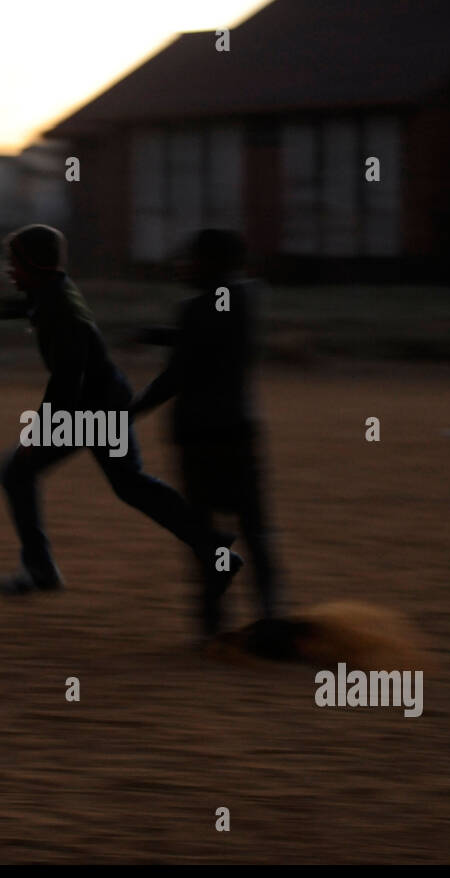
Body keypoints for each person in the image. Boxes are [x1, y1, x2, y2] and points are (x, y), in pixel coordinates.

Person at [0, 224, 240, 599]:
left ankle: (40, 568)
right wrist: (5, 308)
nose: (9, 270)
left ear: (34, 264)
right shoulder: (53, 290)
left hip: (92, 410)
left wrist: (38, 434)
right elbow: (39, 306)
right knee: (131, 484)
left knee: (16, 470)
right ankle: (213, 544)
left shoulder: (59, 312)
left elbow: (66, 383)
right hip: (102, 402)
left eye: (14, 263)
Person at [130, 229, 279, 635]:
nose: (183, 265)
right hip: (241, 430)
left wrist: (127, 413)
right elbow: (211, 339)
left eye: (192, 259)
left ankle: (213, 625)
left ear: (211, 264)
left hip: (199, 436)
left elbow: (177, 374)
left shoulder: (194, 308)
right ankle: (271, 616)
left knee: (204, 532)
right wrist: (160, 334)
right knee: (256, 529)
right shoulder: (249, 296)